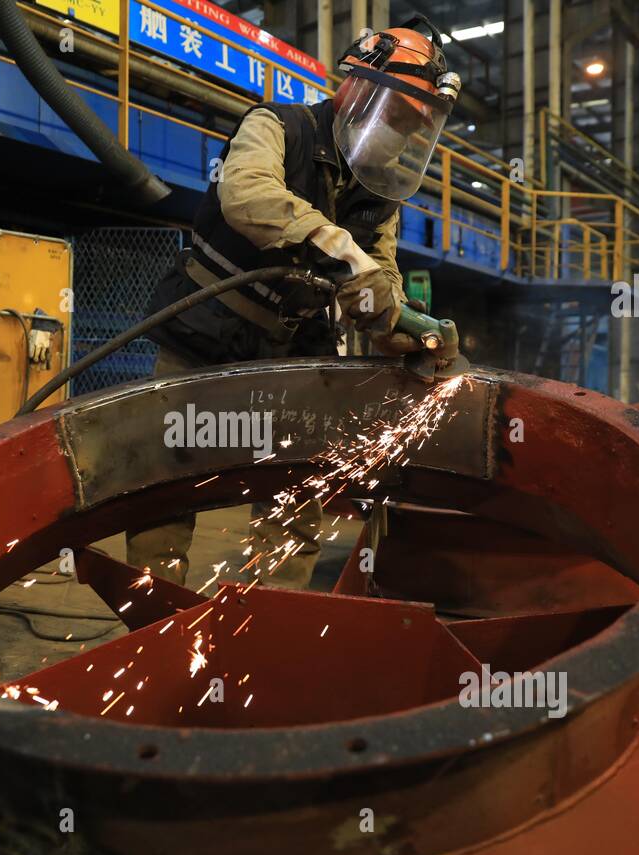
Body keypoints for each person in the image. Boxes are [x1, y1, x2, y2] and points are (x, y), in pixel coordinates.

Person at [126, 15, 461, 589]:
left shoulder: (378, 192)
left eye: (409, 128)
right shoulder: (279, 125)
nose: (397, 135)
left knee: (297, 497)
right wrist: (336, 248)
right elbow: (247, 194)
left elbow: (377, 280)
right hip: (205, 336)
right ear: (355, 85)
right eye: (395, 116)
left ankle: (270, 620)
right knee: (166, 490)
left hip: (288, 353)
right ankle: (156, 623)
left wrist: (407, 328)